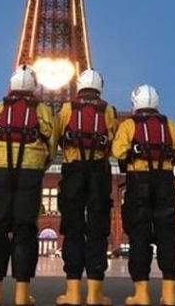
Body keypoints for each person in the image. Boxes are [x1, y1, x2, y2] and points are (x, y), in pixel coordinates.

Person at [0, 65, 58, 306]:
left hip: (1, 171)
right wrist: (41, 164)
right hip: (30, 171)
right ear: (34, 88)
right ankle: (22, 294)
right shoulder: (43, 110)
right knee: (25, 229)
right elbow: (52, 145)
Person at [111, 85, 175, 306]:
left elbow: (117, 151)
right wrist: (170, 153)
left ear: (134, 103)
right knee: (167, 234)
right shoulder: (170, 125)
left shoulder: (129, 125)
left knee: (139, 236)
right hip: (164, 183)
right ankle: (169, 294)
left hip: (138, 183)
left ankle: (142, 293)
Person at [54, 69, 118, 306]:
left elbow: (55, 136)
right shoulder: (108, 109)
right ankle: (95, 293)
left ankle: (71, 291)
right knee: (98, 230)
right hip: (99, 171)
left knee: (72, 228)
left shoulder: (68, 108)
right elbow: (115, 139)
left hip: (73, 171)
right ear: (100, 86)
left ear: (79, 86)